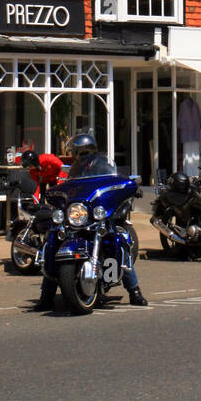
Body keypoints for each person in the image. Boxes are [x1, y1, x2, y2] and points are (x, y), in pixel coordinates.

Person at [35, 132, 148, 309]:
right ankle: (46, 295)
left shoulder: (103, 165)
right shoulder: (75, 172)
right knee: (53, 239)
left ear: (91, 150)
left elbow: (111, 181)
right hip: (79, 217)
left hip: (98, 215)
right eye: (78, 152)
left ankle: (135, 291)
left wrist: (128, 185)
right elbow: (68, 187)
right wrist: (55, 192)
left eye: (83, 152)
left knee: (119, 241)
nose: (81, 155)